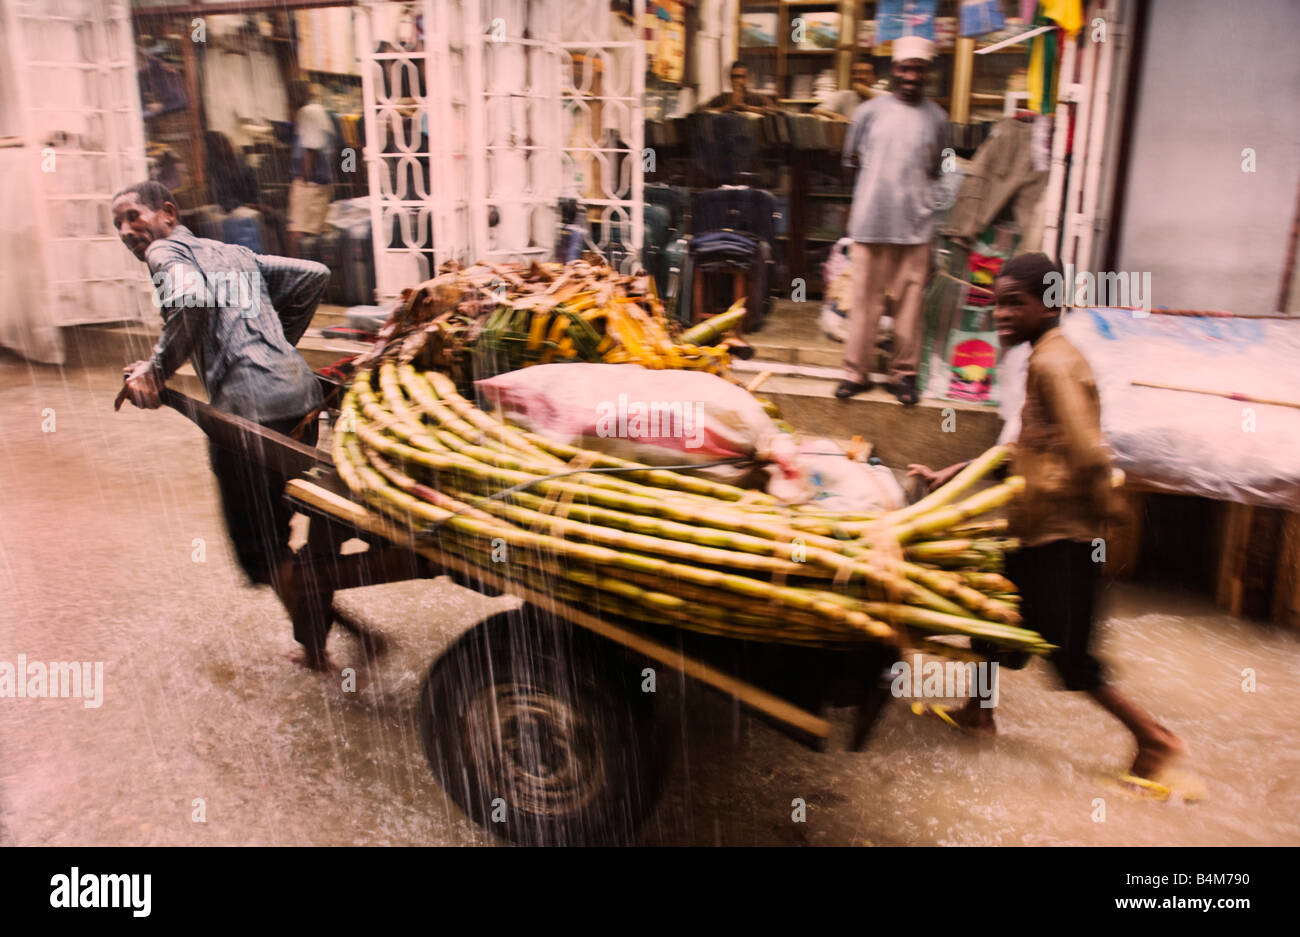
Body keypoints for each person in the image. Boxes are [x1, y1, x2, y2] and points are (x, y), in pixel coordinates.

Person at [907, 253, 1185, 785]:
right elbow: (1030, 443)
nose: (1000, 315)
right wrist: (954, 472)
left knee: (1071, 658)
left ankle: (1154, 739)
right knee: (990, 620)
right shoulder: (1044, 355)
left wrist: (1105, 517)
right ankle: (979, 712)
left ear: (1049, 302)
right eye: (996, 303)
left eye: (1015, 303)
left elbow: (1087, 451)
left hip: (1060, 537)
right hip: (1032, 528)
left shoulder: (1053, 363)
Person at [110, 180, 347, 670]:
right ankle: (319, 628)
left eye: (133, 216)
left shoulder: (164, 252)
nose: (127, 230)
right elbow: (312, 276)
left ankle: (321, 649)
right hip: (301, 400)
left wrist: (155, 371)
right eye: (117, 224)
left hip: (249, 415)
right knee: (280, 521)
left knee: (259, 548)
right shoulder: (231, 252)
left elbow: (191, 302)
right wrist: (273, 347)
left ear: (168, 214)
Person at [836, 36, 949, 405]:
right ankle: (856, 372)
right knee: (863, 301)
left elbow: (939, 168)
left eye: (918, 69)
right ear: (893, 71)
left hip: (916, 226)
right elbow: (851, 160)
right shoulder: (869, 112)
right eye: (905, 68)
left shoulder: (938, 118)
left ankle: (904, 375)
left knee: (910, 305)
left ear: (927, 73)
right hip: (871, 222)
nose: (911, 75)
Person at [286, 80, 336, 257]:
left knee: (297, 232)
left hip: (311, 183)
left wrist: (303, 179)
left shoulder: (307, 112)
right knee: (315, 232)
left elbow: (310, 148)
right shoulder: (322, 111)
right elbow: (344, 150)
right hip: (322, 181)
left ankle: (296, 274)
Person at [813, 58, 881, 122]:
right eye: (854, 73)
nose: (858, 76)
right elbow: (816, 111)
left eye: (864, 72)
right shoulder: (843, 95)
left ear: (874, 78)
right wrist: (835, 116)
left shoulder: (885, 96)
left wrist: (868, 94)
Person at [698, 61, 772, 113]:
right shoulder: (723, 98)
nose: (736, 80)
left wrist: (746, 108)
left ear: (747, 79)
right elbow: (700, 110)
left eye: (740, 77)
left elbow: (774, 110)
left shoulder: (756, 98)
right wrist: (726, 108)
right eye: (733, 77)